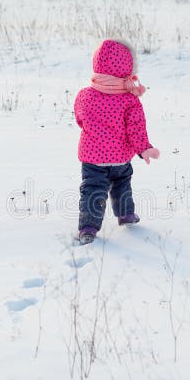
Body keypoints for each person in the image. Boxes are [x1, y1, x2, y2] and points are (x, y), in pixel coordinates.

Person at [74, 39, 160, 245]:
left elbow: (80, 119)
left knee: (93, 190)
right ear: (128, 68)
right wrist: (144, 149)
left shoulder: (85, 96)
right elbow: (136, 129)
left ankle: (89, 227)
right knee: (122, 184)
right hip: (120, 158)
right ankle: (126, 213)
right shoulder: (130, 100)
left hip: (93, 158)